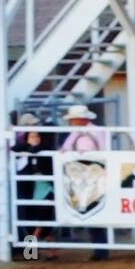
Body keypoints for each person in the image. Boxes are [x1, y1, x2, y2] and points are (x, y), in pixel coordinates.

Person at [59, 104, 110, 260]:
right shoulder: (76, 133)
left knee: (95, 210)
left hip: (94, 174)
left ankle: (101, 250)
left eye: (73, 119)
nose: (71, 122)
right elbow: (65, 148)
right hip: (80, 177)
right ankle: (99, 249)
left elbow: (104, 152)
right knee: (89, 211)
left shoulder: (97, 132)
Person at [11, 127, 57, 258]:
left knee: (42, 220)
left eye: (37, 136)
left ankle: (30, 251)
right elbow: (14, 148)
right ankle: (51, 252)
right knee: (40, 220)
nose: (35, 139)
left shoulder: (46, 149)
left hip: (47, 187)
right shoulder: (25, 149)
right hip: (34, 188)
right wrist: (29, 147)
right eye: (31, 136)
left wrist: (32, 148)